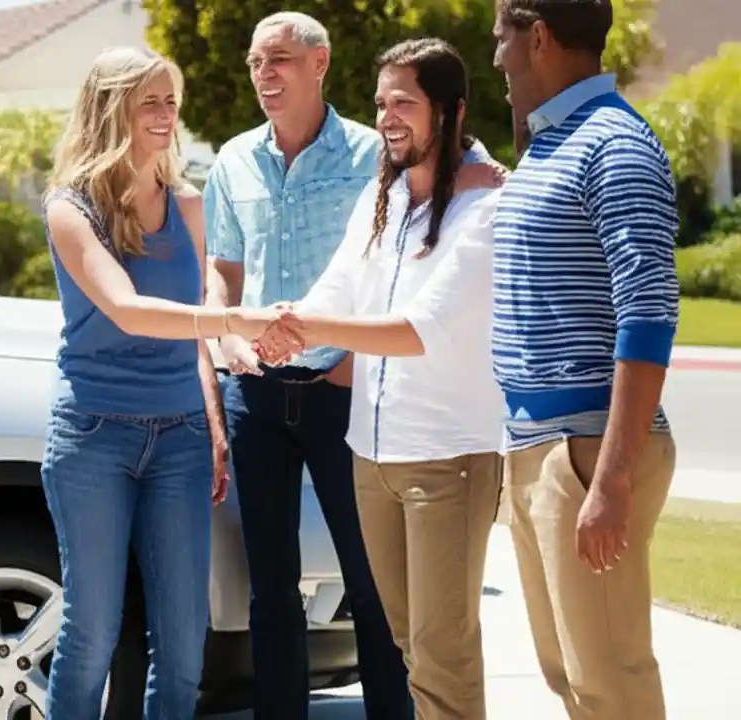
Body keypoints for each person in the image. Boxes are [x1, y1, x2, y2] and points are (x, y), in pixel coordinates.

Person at [202, 12, 501, 719]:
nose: (263, 74)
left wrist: (319, 346)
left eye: (405, 102)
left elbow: (417, 323)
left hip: (392, 421)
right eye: (384, 103)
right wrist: (246, 343)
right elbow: (324, 279)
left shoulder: (437, 183)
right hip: (309, 416)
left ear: (319, 63)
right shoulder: (372, 190)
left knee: (406, 621)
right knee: (292, 596)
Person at [39, 46, 287, 720]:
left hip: (178, 435)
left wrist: (211, 420)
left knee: (183, 647)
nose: (165, 114)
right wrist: (235, 315)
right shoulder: (72, 210)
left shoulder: (188, 204)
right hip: (94, 437)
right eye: (149, 100)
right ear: (109, 106)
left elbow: (190, 329)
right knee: (90, 635)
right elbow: (127, 308)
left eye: (170, 101)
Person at [492, 2, 681, 718]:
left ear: (537, 36)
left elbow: (649, 315)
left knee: (612, 686)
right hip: (539, 446)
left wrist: (611, 479)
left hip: (589, 452)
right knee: (571, 681)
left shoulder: (615, 145)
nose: (499, 60)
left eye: (502, 38)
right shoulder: (548, 144)